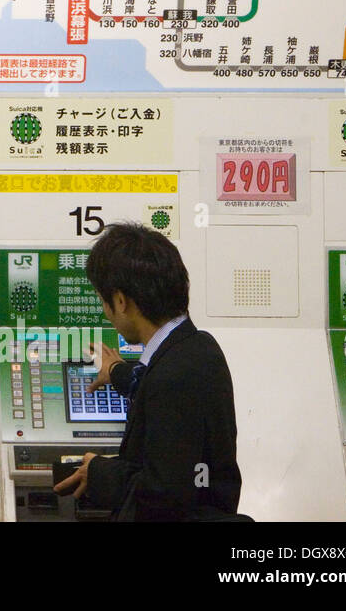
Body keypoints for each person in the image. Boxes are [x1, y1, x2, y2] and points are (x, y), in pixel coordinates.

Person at [54, 222, 242, 520]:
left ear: (120, 300)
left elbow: (164, 493)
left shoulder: (173, 377)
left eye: (105, 301)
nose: (107, 312)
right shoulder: (199, 348)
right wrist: (116, 371)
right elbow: (161, 394)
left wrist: (98, 469)